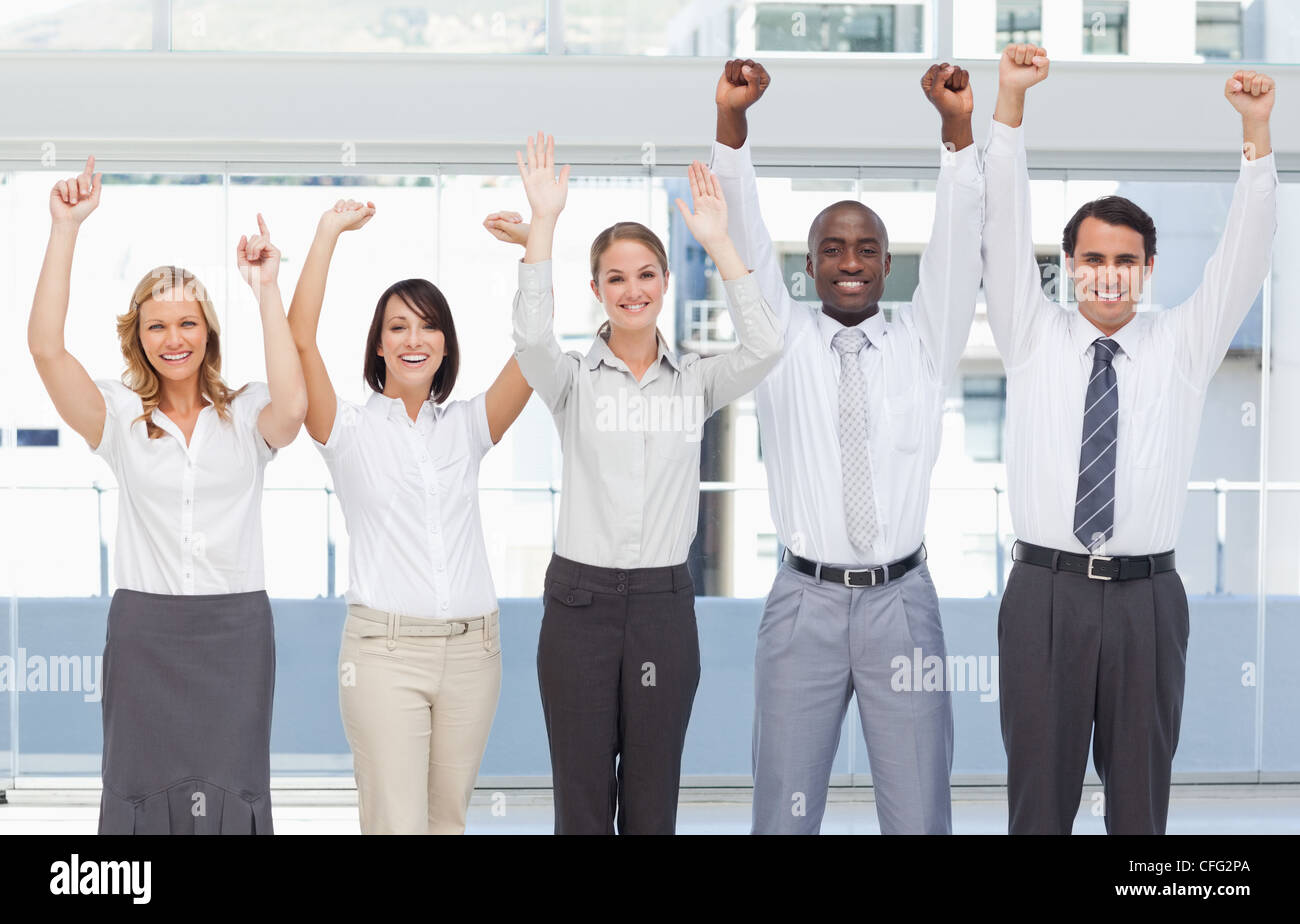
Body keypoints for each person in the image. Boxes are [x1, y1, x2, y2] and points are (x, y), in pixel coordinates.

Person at [984, 44, 1277, 834]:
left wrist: (1256, 135)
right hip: (1044, 595)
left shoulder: (1183, 346)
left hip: (1149, 599)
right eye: (1092, 260)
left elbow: (1244, 261)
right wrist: (1010, 103)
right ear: (1070, 267)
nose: (1108, 274)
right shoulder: (1030, 335)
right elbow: (1002, 227)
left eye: (1125, 260)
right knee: (1038, 804)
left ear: (1147, 269)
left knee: (1140, 807)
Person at [709, 59, 984, 834]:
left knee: (920, 810)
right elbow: (747, 243)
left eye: (866, 248)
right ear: (813, 267)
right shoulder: (780, 343)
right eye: (833, 247)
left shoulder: (925, 343)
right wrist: (734, 125)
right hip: (805, 603)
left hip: (904, 603)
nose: (852, 260)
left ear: (889, 266)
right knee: (784, 812)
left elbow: (961, 250)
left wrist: (956, 133)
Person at [511, 132, 783, 834]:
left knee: (654, 797)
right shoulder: (570, 380)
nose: (633, 290)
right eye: (616, 277)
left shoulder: (696, 381)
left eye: (647, 275)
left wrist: (720, 245)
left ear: (664, 283)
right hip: (579, 605)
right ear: (597, 289)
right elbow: (532, 341)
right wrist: (542, 226)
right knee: (581, 797)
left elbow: (766, 346)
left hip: (663, 604)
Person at [28, 156, 308, 834]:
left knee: (233, 792)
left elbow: (296, 406)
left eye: (187, 323)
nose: (173, 339)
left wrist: (267, 287)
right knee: (139, 793)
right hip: (144, 634)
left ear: (208, 331)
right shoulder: (118, 418)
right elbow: (44, 349)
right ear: (139, 336)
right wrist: (64, 227)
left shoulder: (249, 415)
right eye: (157, 326)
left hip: (236, 635)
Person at [287, 198, 533, 835]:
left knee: (445, 822)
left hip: (476, 651)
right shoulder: (344, 428)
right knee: (398, 825)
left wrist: (537, 249)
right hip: (384, 655)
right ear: (378, 345)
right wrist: (326, 233)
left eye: (427, 326)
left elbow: (537, 352)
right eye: (397, 327)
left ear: (446, 343)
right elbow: (298, 341)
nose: (414, 339)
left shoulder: (470, 427)